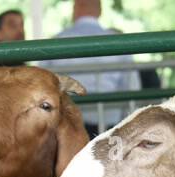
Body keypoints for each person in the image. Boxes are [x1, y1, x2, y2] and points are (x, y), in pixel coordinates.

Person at [40, 0, 138, 138]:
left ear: (75, 9)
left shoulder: (56, 41)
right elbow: (131, 85)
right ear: (100, 11)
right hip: (108, 122)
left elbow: (42, 82)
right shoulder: (118, 42)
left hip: (67, 122)